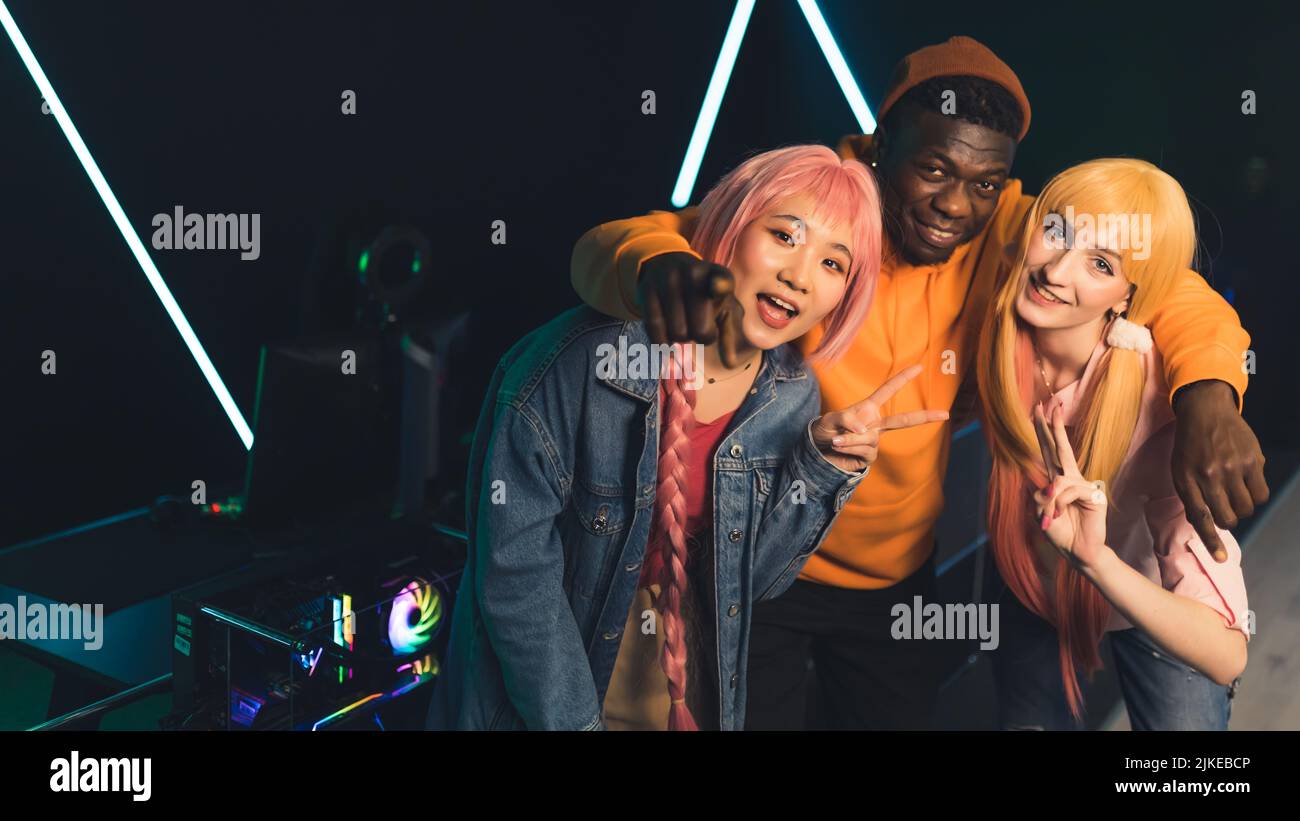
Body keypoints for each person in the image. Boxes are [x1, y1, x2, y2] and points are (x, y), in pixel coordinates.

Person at [568, 36, 1264, 729]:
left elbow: (1174, 293)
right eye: (933, 169)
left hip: (897, 580)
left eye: (983, 183)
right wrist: (655, 267)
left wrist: (1208, 394)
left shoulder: (1019, 233)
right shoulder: (822, 211)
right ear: (878, 148)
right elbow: (615, 240)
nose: (955, 205)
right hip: (765, 561)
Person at [427, 145, 948, 730]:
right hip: (545, 677)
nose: (799, 276)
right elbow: (515, 576)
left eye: (833, 265)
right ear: (728, 225)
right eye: (784, 235)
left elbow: (753, 583)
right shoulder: (581, 363)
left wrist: (822, 467)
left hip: (679, 675)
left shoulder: (790, 394)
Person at [979, 158, 1249, 730]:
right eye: (1056, 233)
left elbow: (1227, 655)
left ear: (1128, 296)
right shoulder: (997, 328)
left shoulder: (1162, 402)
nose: (1055, 272)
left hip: (1148, 598)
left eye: (1101, 264)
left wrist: (1095, 560)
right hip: (1034, 592)